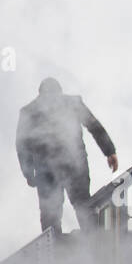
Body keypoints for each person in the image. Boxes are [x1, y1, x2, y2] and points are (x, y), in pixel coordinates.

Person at [15, 78, 118, 235]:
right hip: (75, 165)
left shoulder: (29, 110)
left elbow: (22, 145)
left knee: (50, 214)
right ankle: (94, 246)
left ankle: (55, 253)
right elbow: (94, 126)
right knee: (83, 206)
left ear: (39, 93)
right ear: (60, 90)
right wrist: (109, 152)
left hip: (46, 170)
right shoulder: (73, 103)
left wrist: (29, 174)